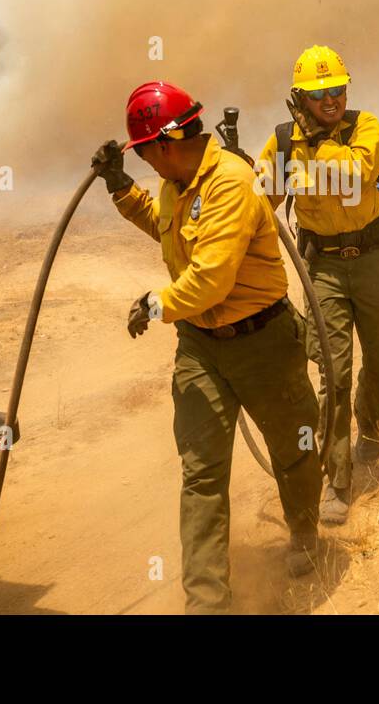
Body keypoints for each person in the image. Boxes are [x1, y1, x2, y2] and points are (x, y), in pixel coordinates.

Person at [92, 80, 322, 614]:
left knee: (295, 452)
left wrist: (154, 304)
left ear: (166, 144)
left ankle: (306, 533)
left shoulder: (230, 184)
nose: (147, 164)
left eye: (143, 156)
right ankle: (208, 604)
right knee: (201, 475)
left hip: (264, 342)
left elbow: (211, 279)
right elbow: (167, 228)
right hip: (199, 347)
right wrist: (122, 188)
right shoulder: (175, 180)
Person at [257, 45, 379, 525]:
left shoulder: (365, 127)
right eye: (320, 93)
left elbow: (355, 173)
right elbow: (258, 204)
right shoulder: (282, 142)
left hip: (374, 258)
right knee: (334, 374)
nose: (332, 100)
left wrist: (316, 144)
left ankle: (372, 425)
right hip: (321, 266)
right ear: (300, 97)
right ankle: (337, 481)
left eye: (338, 89)